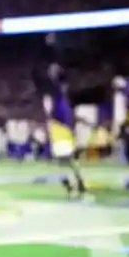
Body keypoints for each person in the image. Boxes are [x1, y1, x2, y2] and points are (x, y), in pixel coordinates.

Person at [39, 63, 86, 197]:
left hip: (60, 125)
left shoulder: (58, 92)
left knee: (63, 159)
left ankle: (73, 184)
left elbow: (52, 108)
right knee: (65, 159)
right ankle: (76, 183)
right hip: (61, 125)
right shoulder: (60, 91)